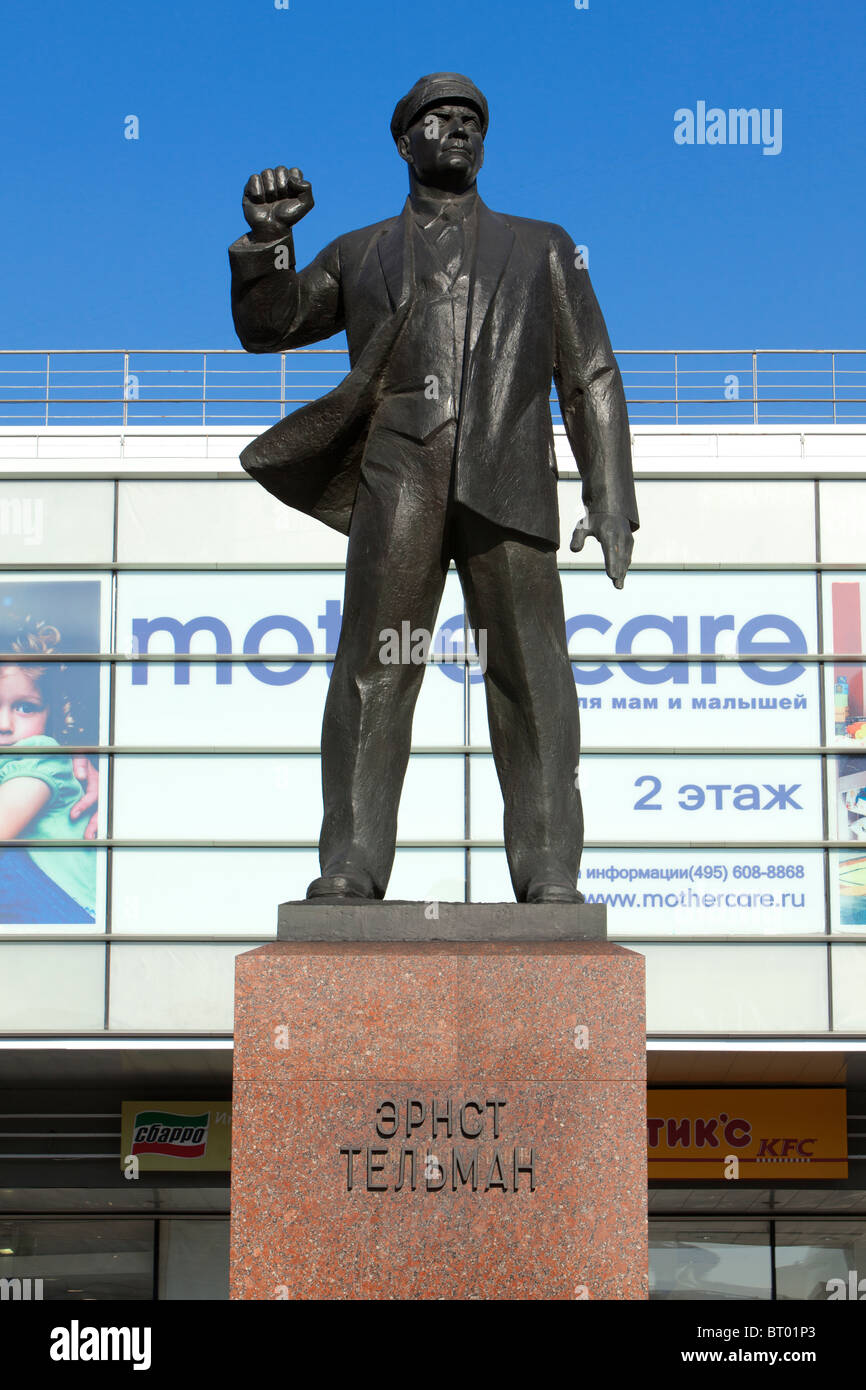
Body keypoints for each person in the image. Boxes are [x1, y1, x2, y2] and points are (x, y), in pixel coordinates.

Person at [230, 73, 638, 904]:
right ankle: (349, 862)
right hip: (399, 480)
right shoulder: (358, 251)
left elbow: (590, 372)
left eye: (471, 121)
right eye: (438, 119)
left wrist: (610, 497)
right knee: (375, 671)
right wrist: (266, 241)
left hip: (510, 479)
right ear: (404, 140)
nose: (458, 130)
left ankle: (550, 865)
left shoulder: (544, 246)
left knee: (531, 676)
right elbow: (268, 328)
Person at [0, 614, 97, 923]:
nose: (5, 725)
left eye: (26, 707)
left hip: (70, 908)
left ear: (50, 715)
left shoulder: (41, 756)